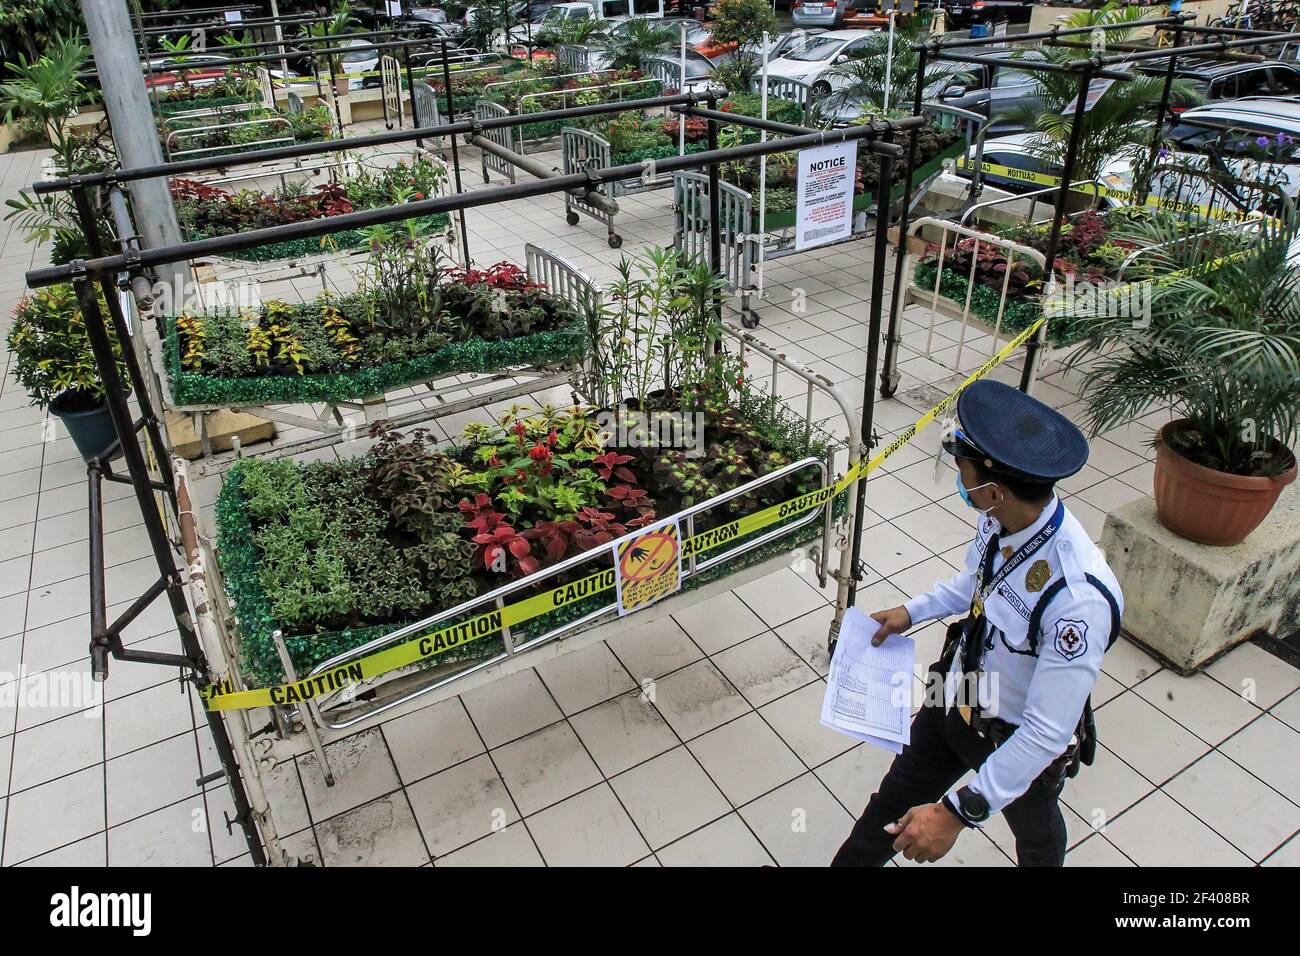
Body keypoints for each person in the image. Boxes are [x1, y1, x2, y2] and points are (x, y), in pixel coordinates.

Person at [831, 380, 1123, 867]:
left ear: (992, 489)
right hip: (958, 692)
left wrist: (957, 812)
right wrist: (913, 611)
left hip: (1013, 736)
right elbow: (977, 580)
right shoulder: (1003, 517)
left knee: (1036, 835)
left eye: (962, 470)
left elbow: (1045, 734)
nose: (958, 479)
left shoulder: (1077, 602)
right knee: (888, 807)